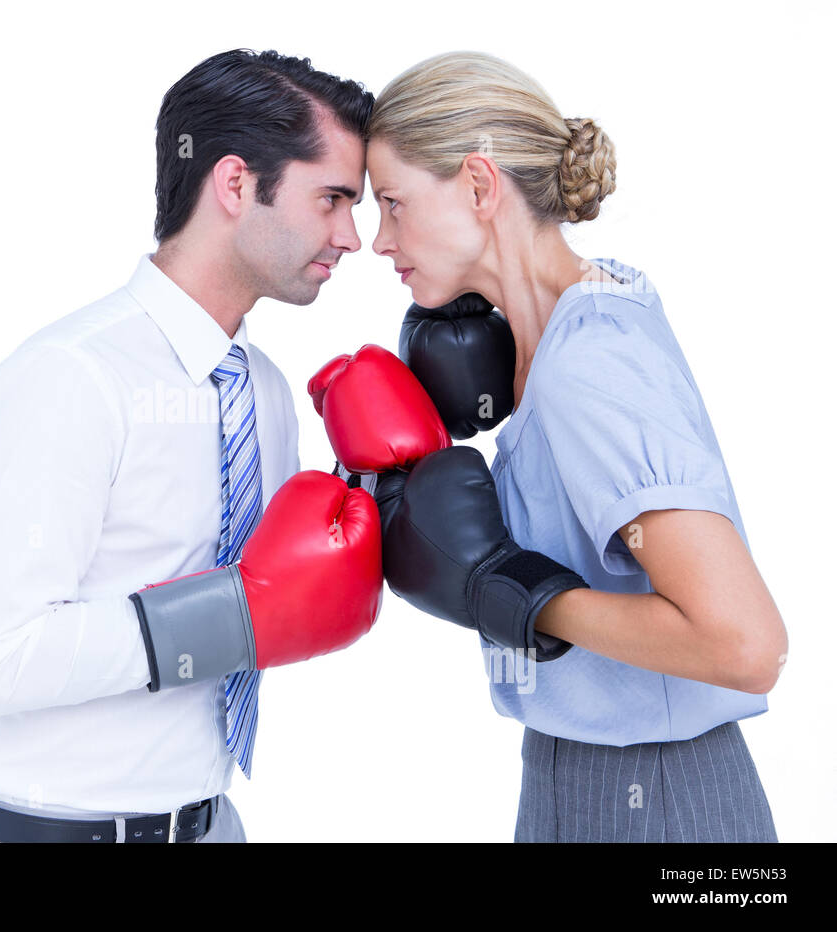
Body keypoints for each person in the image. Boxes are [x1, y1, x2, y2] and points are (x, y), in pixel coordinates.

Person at [311, 51, 786, 842]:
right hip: (578, 770)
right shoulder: (562, 331)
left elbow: (745, 644)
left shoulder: (589, 363)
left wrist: (515, 592)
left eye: (393, 204)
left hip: (658, 793)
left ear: (479, 185)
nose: (378, 239)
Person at [0, 49, 384, 843]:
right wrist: (233, 615)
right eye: (333, 199)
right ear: (236, 184)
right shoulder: (71, 377)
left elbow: (295, 590)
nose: (351, 235)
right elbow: (5, 658)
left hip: (210, 824)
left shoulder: (265, 393)